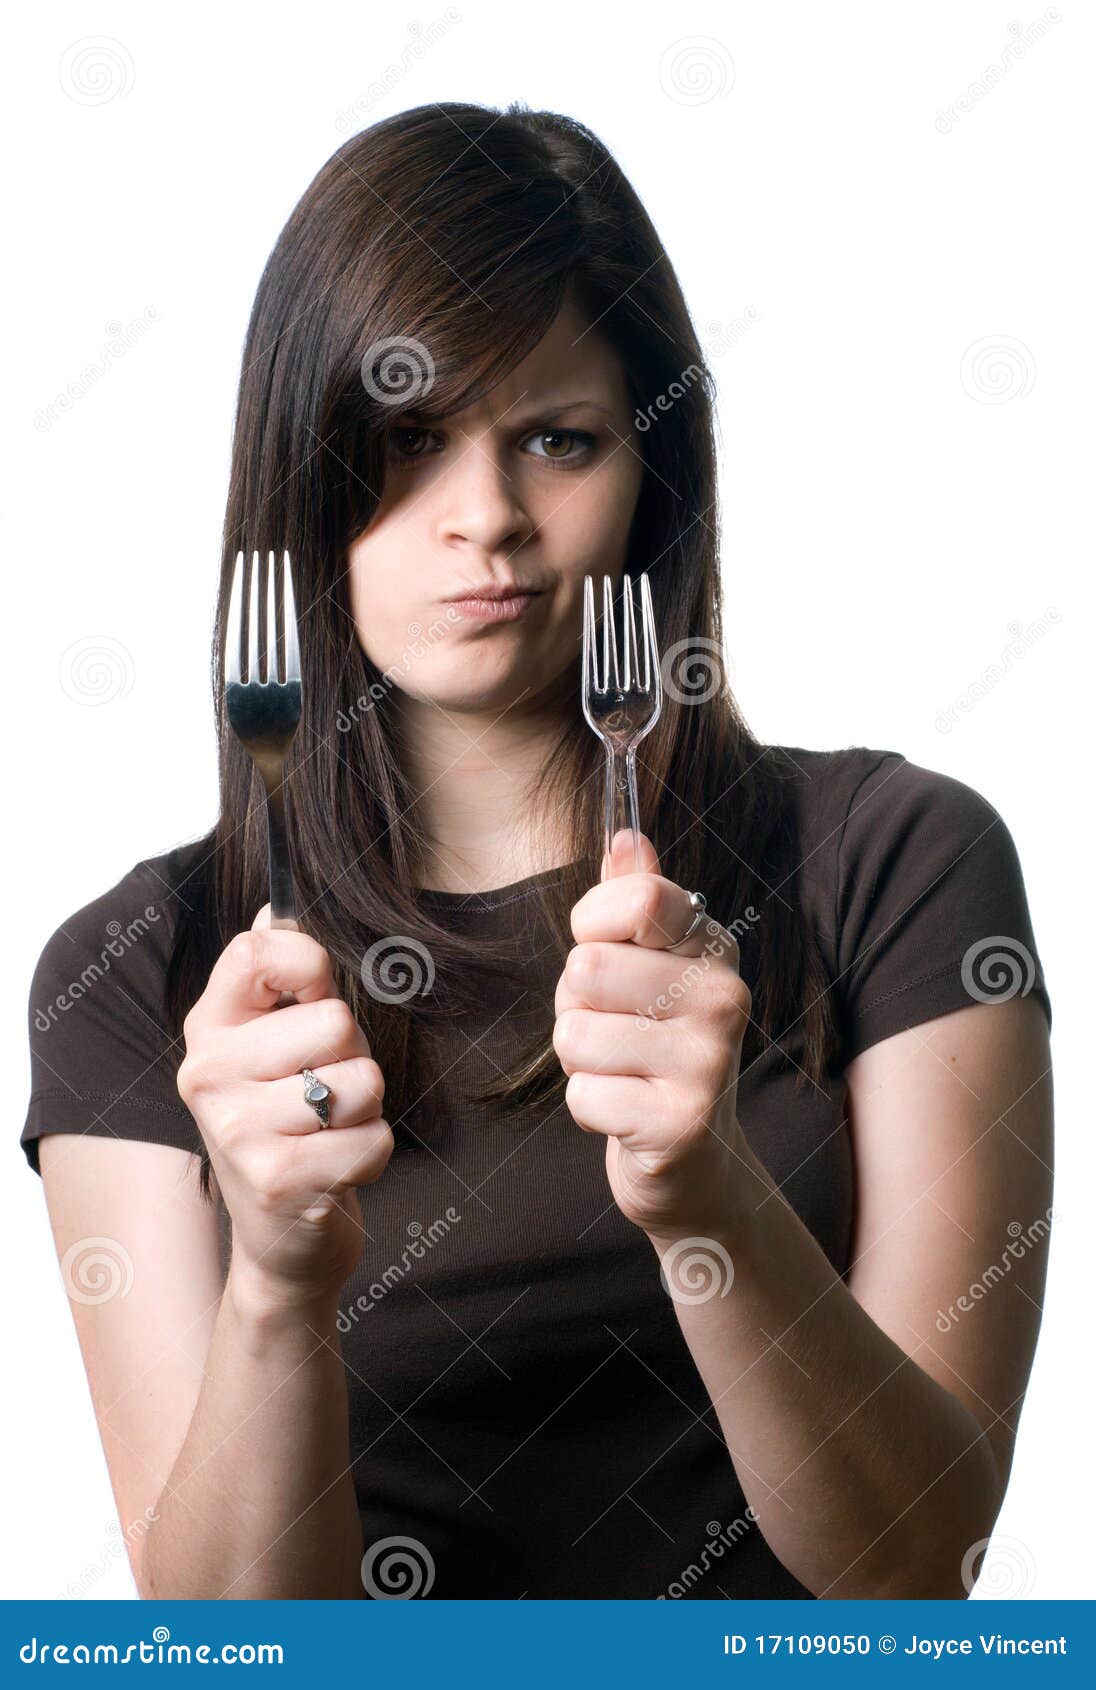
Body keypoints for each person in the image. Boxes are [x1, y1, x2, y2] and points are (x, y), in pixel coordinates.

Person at [22, 101, 1053, 1601]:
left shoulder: (899, 863)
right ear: (302, 473)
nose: (489, 521)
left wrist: (713, 1206)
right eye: (408, 441)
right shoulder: (146, 972)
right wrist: (275, 1288)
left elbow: (914, 1576)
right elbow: (234, 1646)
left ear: (651, 474)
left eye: (557, 440)